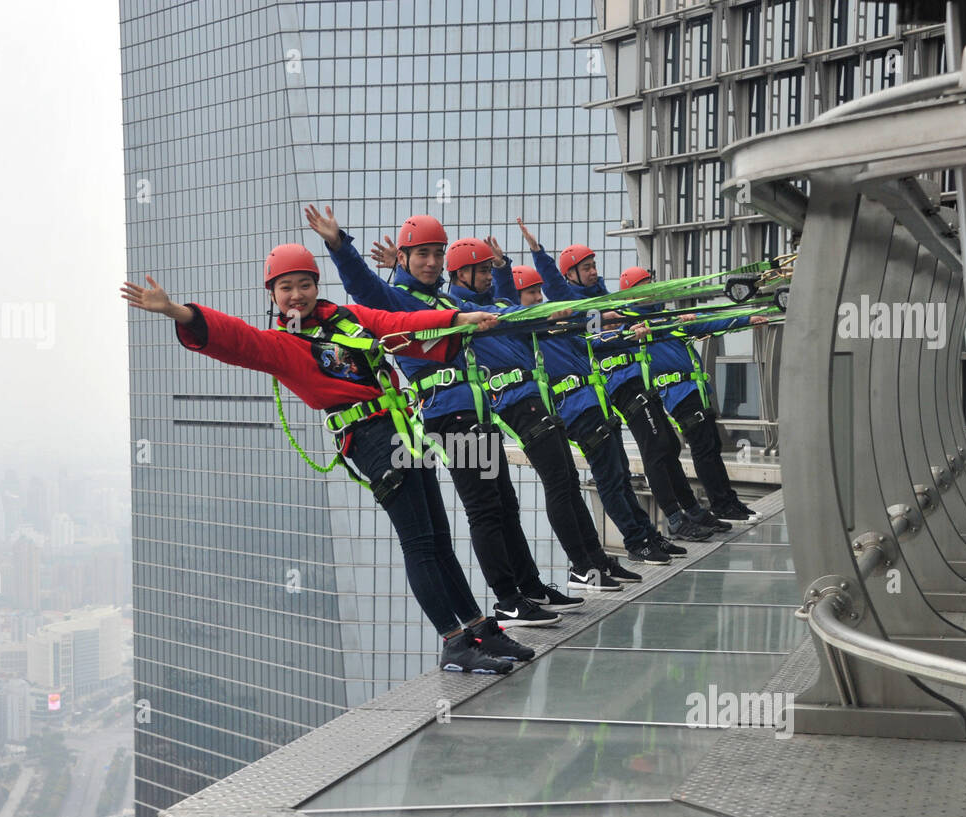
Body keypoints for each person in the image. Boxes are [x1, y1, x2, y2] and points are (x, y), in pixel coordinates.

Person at [119, 245, 531, 674]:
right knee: (420, 542)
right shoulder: (284, 344)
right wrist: (177, 312)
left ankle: (480, 628)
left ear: (317, 286)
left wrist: (458, 318)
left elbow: (399, 323)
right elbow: (236, 337)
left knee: (437, 536)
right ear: (272, 295)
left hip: (403, 429)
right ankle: (454, 640)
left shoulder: (347, 319)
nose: (297, 294)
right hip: (371, 438)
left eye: (304, 284)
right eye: (285, 288)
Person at [309, 204, 627, 595]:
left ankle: (529, 589)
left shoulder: (446, 304)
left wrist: (584, 318)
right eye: (422, 254)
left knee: (505, 504)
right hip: (448, 418)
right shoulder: (399, 300)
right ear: (406, 259)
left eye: (436, 254)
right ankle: (509, 598)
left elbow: (512, 317)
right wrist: (339, 245)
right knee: (485, 510)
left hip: (478, 413)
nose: (431, 262)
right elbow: (364, 287)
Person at [515, 219, 710, 558]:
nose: (593, 272)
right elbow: (557, 292)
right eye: (586, 267)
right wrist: (538, 253)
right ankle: (650, 534)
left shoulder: (602, 299)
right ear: (570, 274)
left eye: (593, 266)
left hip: (601, 400)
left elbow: (616, 325)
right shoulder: (565, 308)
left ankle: (648, 535)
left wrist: (644, 324)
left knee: (626, 469)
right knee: (631, 462)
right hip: (592, 400)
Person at [619, 267, 765, 521]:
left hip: (694, 389)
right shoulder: (632, 325)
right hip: (677, 394)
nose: (653, 291)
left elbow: (709, 322)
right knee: (703, 446)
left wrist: (746, 319)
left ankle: (728, 500)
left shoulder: (667, 317)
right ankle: (720, 503)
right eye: (645, 286)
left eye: (652, 285)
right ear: (633, 293)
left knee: (712, 444)